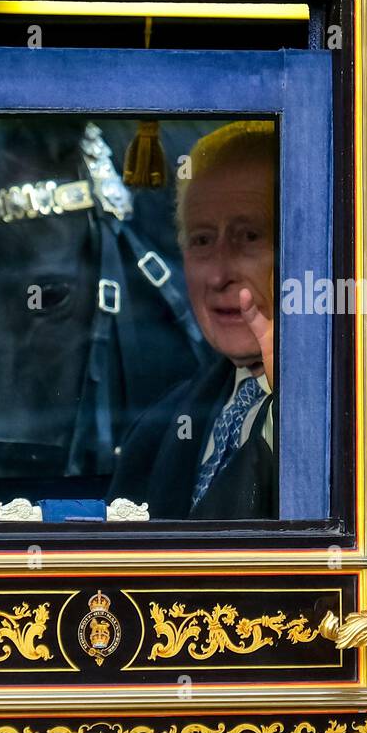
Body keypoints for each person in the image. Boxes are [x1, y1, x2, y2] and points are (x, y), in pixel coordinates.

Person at [106, 120, 278, 519]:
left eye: (249, 236)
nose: (218, 276)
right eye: (201, 240)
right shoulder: (154, 429)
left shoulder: (357, 413)